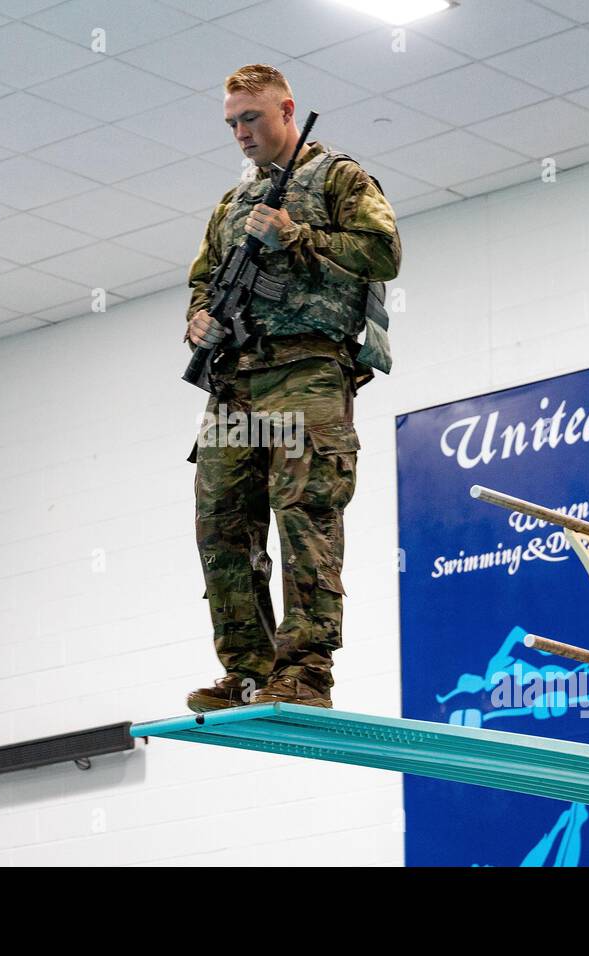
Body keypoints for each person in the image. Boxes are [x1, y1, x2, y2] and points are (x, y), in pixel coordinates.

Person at [183, 64, 401, 712]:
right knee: (220, 517)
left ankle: (305, 672)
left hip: (308, 368)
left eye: (250, 118)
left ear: (286, 109)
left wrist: (297, 236)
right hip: (236, 379)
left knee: (303, 509)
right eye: (231, 123)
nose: (241, 133)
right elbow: (203, 279)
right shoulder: (231, 204)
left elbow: (384, 251)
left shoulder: (338, 178)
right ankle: (247, 669)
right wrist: (198, 316)